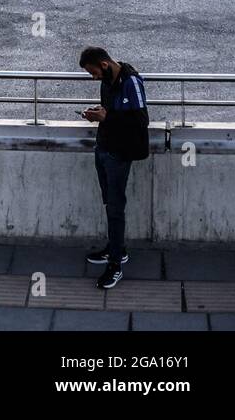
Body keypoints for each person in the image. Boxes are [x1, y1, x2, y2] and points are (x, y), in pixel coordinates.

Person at [79, 46, 150, 290]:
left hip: (120, 153)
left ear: (105, 65)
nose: (94, 78)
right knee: (109, 202)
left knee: (116, 207)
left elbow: (141, 121)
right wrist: (98, 114)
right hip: (104, 148)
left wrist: (106, 117)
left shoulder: (131, 82)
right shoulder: (107, 81)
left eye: (94, 73)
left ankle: (116, 264)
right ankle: (115, 248)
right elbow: (110, 112)